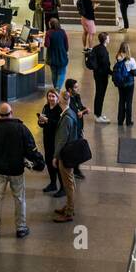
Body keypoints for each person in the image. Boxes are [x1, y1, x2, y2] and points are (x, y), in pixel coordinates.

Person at [0, 103, 40, 240]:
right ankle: (21, 228)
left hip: (0, 170)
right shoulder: (21, 128)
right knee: (20, 199)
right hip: (17, 170)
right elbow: (30, 147)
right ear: (11, 112)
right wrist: (38, 162)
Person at [51, 88, 82, 222]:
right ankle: (69, 206)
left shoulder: (66, 118)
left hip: (65, 155)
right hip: (71, 153)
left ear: (61, 101)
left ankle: (69, 211)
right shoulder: (70, 112)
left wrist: (56, 156)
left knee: (68, 184)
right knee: (70, 181)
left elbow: (62, 140)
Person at [37, 88, 64, 197]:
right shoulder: (46, 107)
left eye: (53, 96)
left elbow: (59, 124)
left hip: (56, 139)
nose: (51, 98)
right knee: (48, 161)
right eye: (49, 96)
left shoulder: (59, 109)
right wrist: (40, 121)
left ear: (57, 98)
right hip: (47, 138)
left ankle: (63, 188)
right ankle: (53, 183)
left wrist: (47, 121)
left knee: (57, 163)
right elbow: (42, 124)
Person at [63, 78, 90, 177]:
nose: (77, 89)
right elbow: (69, 112)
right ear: (69, 89)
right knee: (72, 148)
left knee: (78, 147)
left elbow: (80, 108)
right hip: (71, 128)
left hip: (79, 127)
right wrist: (80, 112)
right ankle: (72, 168)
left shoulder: (77, 96)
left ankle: (76, 169)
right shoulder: (66, 99)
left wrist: (85, 110)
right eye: (75, 87)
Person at [86, 31, 111, 122]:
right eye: (108, 38)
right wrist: (111, 73)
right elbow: (105, 65)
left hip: (97, 74)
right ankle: (98, 115)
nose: (109, 39)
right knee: (100, 95)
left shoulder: (96, 48)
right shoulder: (103, 51)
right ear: (105, 39)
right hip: (102, 76)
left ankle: (98, 114)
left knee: (98, 94)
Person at [112, 43, 136, 127]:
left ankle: (120, 120)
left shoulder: (117, 58)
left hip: (120, 83)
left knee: (121, 101)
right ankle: (128, 121)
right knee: (129, 102)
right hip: (129, 84)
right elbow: (135, 73)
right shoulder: (131, 60)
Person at [44, 17, 69, 91]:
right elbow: (66, 45)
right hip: (62, 56)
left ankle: (56, 89)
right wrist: (64, 52)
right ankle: (57, 89)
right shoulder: (62, 32)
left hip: (52, 57)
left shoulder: (49, 33)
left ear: (51, 24)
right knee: (62, 73)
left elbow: (47, 45)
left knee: (54, 73)